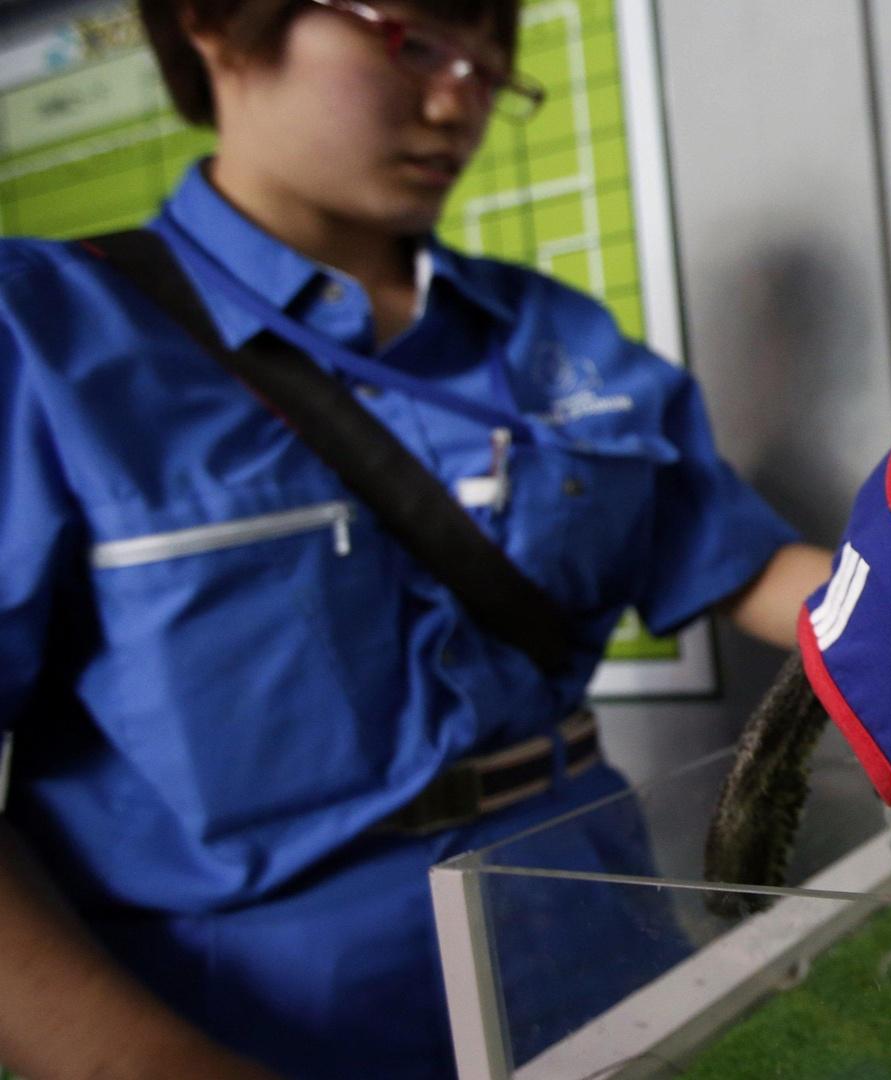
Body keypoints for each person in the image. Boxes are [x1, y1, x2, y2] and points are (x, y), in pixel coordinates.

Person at [0, 0, 831, 1076]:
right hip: (265, 1016)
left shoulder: (553, 334)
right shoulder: (46, 340)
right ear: (216, 24)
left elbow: (743, 563)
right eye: (415, 41)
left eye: (492, 70)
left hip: (603, 943)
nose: (457, 104)